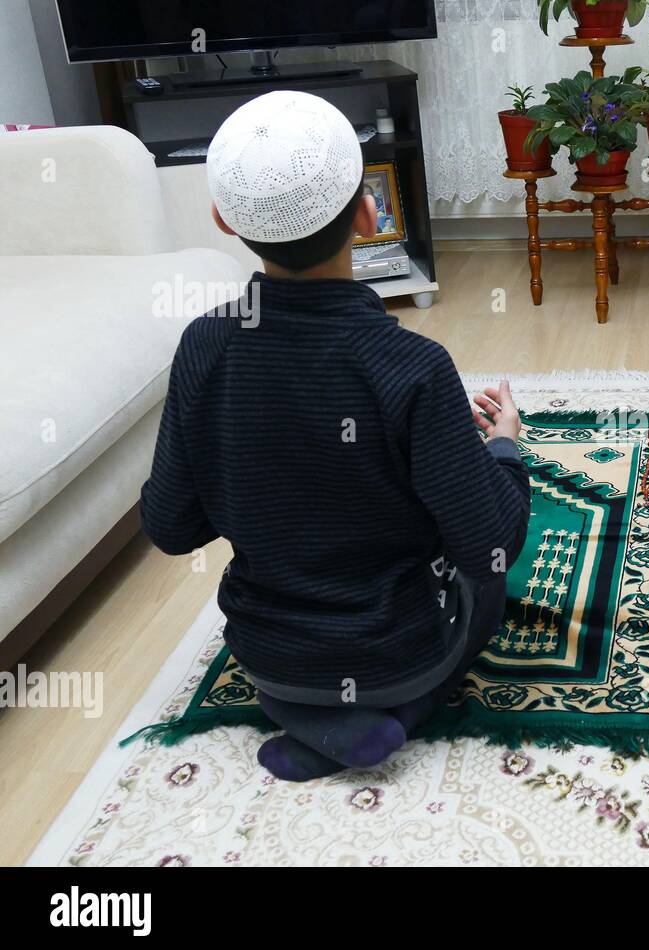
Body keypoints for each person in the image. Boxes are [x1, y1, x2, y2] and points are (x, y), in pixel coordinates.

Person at [140, 91, 530, 780]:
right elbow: (491, 544)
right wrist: (503, 448)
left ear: (223, 219)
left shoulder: (203, 347)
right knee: (490, 586)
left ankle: (307, 716)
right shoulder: (410, 365)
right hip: (402, 654)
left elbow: (171, 527)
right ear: (368, 213)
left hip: (269, 656)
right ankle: (397, 717)